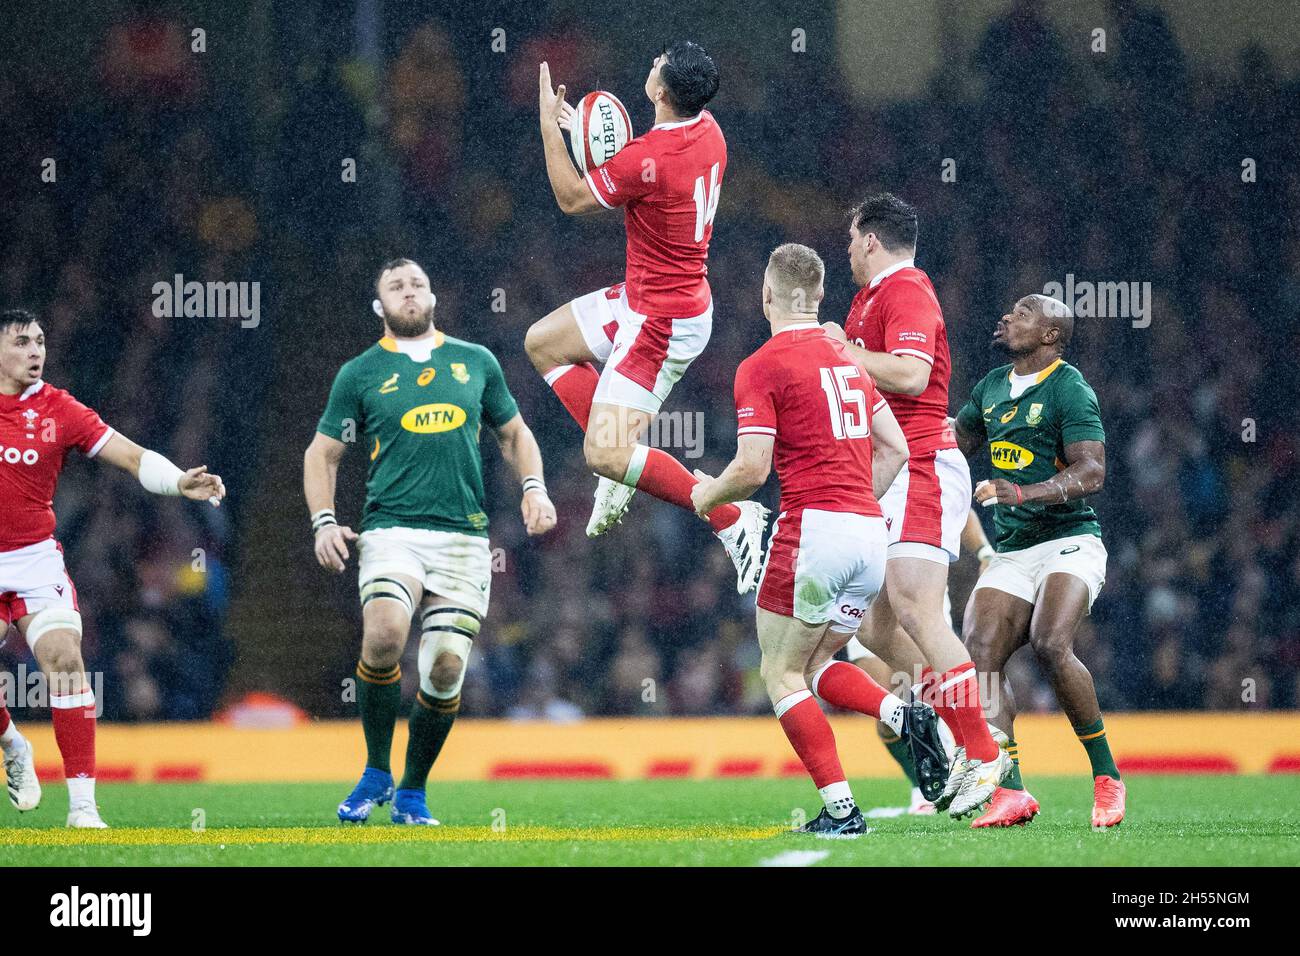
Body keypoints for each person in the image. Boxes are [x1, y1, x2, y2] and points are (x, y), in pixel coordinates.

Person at [691, 244, 947, 836]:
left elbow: (753, 468)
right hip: (866, 535)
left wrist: (709, 495)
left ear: (767, 295)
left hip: (815, 531)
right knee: (818, 660)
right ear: (822, 296)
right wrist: (857, 500)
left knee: (779, 674)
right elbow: (898, 448)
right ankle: (901, 714)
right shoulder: (851, 362)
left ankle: (841, 810)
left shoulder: (760, 365)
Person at [304, 260, 556, 826]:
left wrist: (533, 490)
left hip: (464, 538)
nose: (409, 292)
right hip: (391, 529)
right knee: (387, 630)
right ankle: (375, 769)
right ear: (380, 307)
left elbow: (514, 432)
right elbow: (322, 453)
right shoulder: (360, 373)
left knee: (444, 667)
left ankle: (413, 792)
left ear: (433, 294)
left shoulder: (475, 361)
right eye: (396, 287)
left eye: (417, 283)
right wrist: (323, 520)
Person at [527, 41, 767, 593]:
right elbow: (644, 162)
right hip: (650, 298)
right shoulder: (707, 131)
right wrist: (581, 129)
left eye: (658, 63)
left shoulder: (646, 160)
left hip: (661, 323)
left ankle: (732, 518)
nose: (652, 61)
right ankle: (623, 466)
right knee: (543, 342)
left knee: (602, 452)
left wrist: (547, 126)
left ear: (660, 91)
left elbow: (570, 198)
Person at [0, 308, 226, 828]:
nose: (36, 351)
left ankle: (83, 809)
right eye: (22, 343)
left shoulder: (58, 408)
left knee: (63, 658)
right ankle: (13, 745)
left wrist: (178, 482)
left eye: (40, 341)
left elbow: (129, 455)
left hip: (34, 561)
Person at [822, 193, 1008, 816]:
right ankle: (962, 735)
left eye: (851, 238)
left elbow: (909, 374)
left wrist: (842, 353)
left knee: (917, 610)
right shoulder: (869, 299)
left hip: (920, 463)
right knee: (874, 629)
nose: (847, 250)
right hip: (887, 468)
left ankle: (984, 753)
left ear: (870, 239)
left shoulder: (906, 290)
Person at [954, 294, 1125, 829]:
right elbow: (949, 443)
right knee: (979, 651)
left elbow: (1092, 472)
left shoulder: (1070, 388)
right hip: (1014, 550)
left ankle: (1106, 777)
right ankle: (1011, 790)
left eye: (1024, 313)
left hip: (1069, 540)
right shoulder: (990, 388)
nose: (1007, 316)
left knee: (1052, 642)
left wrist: (1024, 494)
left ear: (1051, 335)